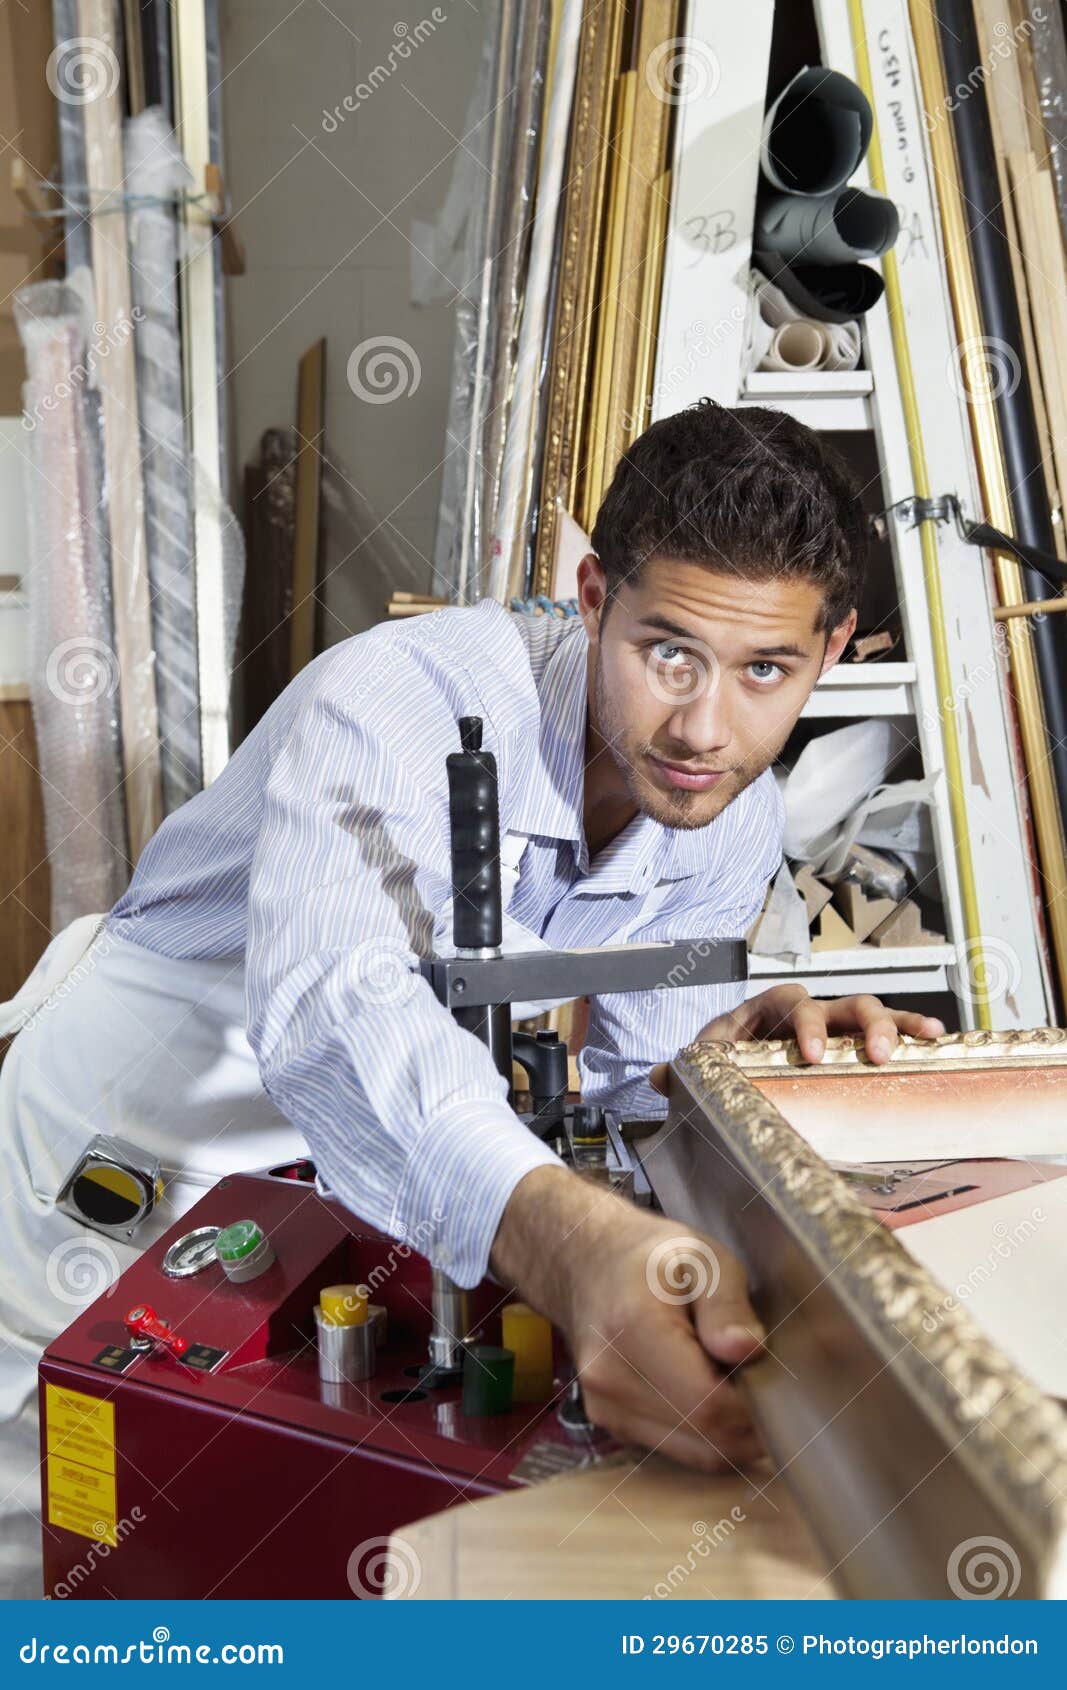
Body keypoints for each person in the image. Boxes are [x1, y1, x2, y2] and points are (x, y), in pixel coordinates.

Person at [0, 401, 943, 1593]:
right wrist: (558, 1233)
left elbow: (629, 1086)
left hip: (381, 1143)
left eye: (765, 669)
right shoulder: (393, 699)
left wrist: (732, 1067)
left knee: (261, 1524)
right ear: (594, 596)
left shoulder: (725, 803)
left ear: (835, 645)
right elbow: (342, 1012)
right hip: (147, 1123)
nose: (706, 724)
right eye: (667, 652)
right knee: (70, 1526)